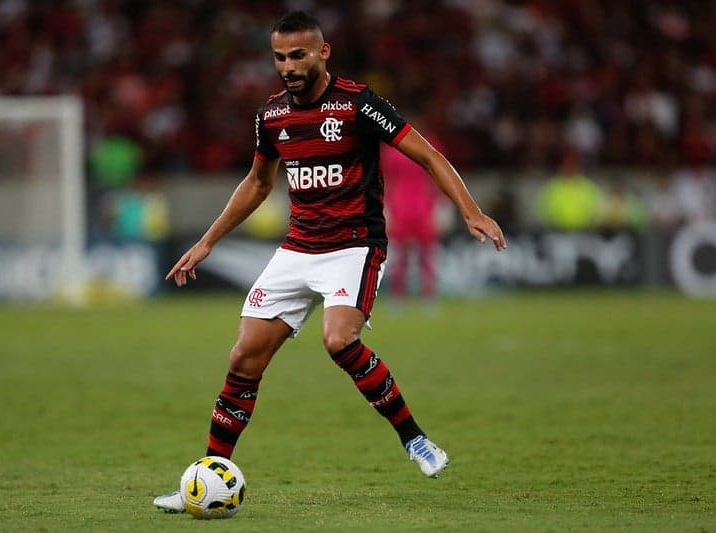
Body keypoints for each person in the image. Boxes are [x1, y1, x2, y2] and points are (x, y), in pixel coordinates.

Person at [154, 12, 506, 512]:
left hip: (355, 246)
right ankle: (206, 479)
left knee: (338, 339)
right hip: (298, 248)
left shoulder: (359, 104)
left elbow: (427, 155)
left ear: (323, 52)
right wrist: (208, 241)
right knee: (243, 358)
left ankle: (415, 439)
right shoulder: (271, 114)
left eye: (298, 55)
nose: (288, 66)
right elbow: (258, 183)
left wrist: (471, 212)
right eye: (279, 57)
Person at [380, 133, 445, 306]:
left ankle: (428, 294)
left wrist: (439, 204)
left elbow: (438, 176)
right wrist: (386, 206)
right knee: (400, 255)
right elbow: (385, 179)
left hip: (421, 205)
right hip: (402, 206)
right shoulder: (391, 149)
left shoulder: (430, 144)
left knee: (426, 253)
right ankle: (398, 294)